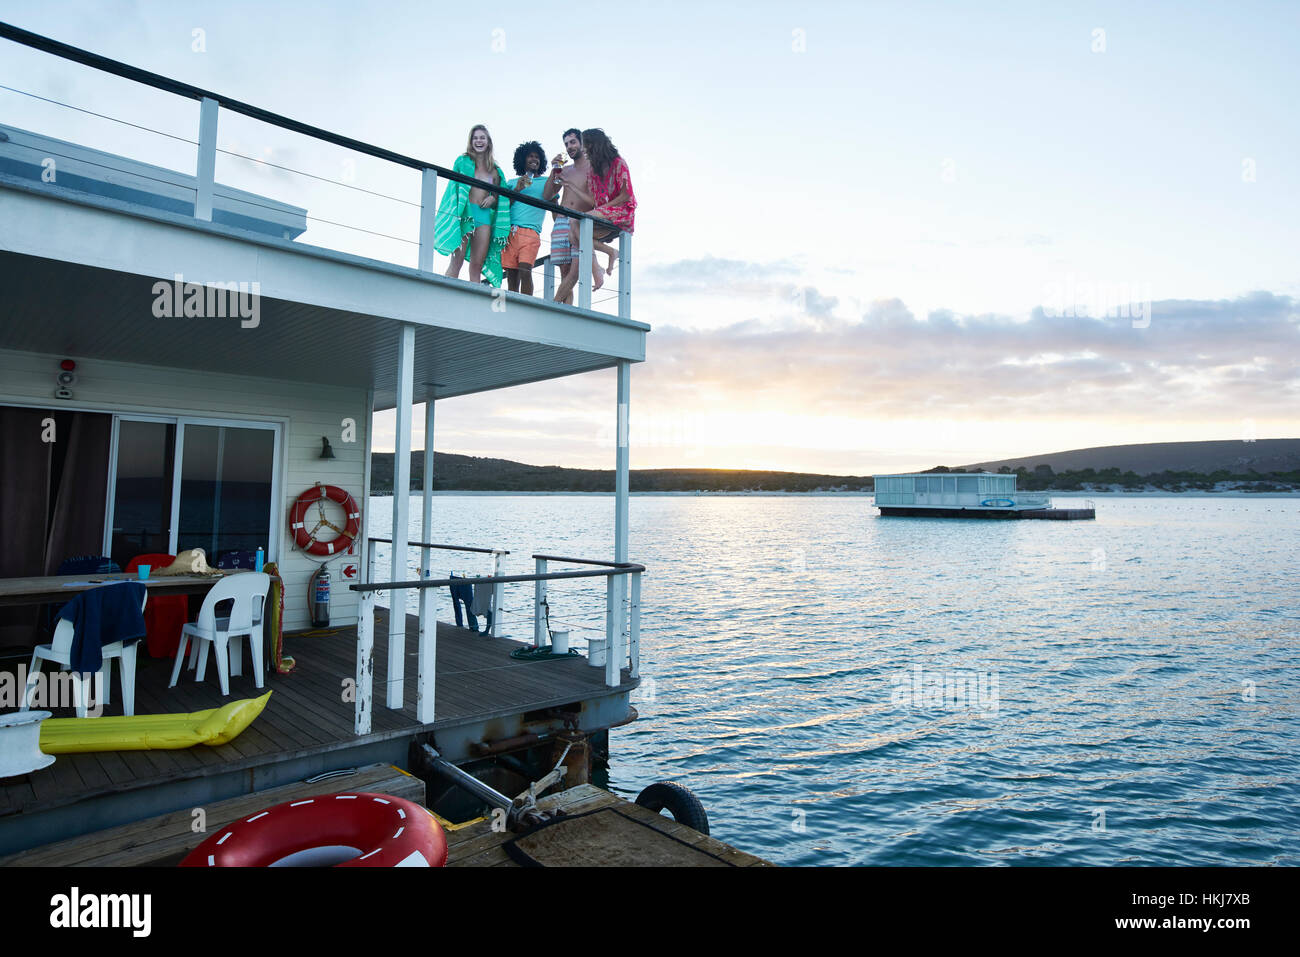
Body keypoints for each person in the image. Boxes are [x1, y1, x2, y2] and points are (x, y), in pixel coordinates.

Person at [544, 128, 616, 304]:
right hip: (561, 221)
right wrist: (554, 170)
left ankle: (552, 306)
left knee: (574, 272)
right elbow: (546, 197)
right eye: (566, 144)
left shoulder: (594, 169)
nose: (569, 147)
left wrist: (573, 186)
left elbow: (597, 201)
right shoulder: (564, 170)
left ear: (582, 143)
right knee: (564, 272)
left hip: (580, 221)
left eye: (573, 142)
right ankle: (565, 314)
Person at [433, 125, 510, 286]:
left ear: (488, 142)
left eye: (482, 138)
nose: (478, 141)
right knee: (457, 260)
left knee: (476, 265)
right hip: (466, 215)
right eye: (475, 138)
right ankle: (444, 293)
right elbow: (453, 188)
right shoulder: (462, 161)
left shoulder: (494, 170)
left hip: (484, 217)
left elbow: (500, 194)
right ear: (471, 141)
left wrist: (493, 199)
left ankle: (474, 301)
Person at [502, 141, 549, 295]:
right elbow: (503, 207)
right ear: (522, 159)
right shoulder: (512, 183)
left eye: (537, 157)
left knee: (525, 270)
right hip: (510, 232)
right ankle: (513, 311)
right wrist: (517, 190)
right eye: (530, 156)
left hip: (531, 232)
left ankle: (527, 307)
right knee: (511, 276)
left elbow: (554, 202)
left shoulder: (545, 182)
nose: (534, 159)